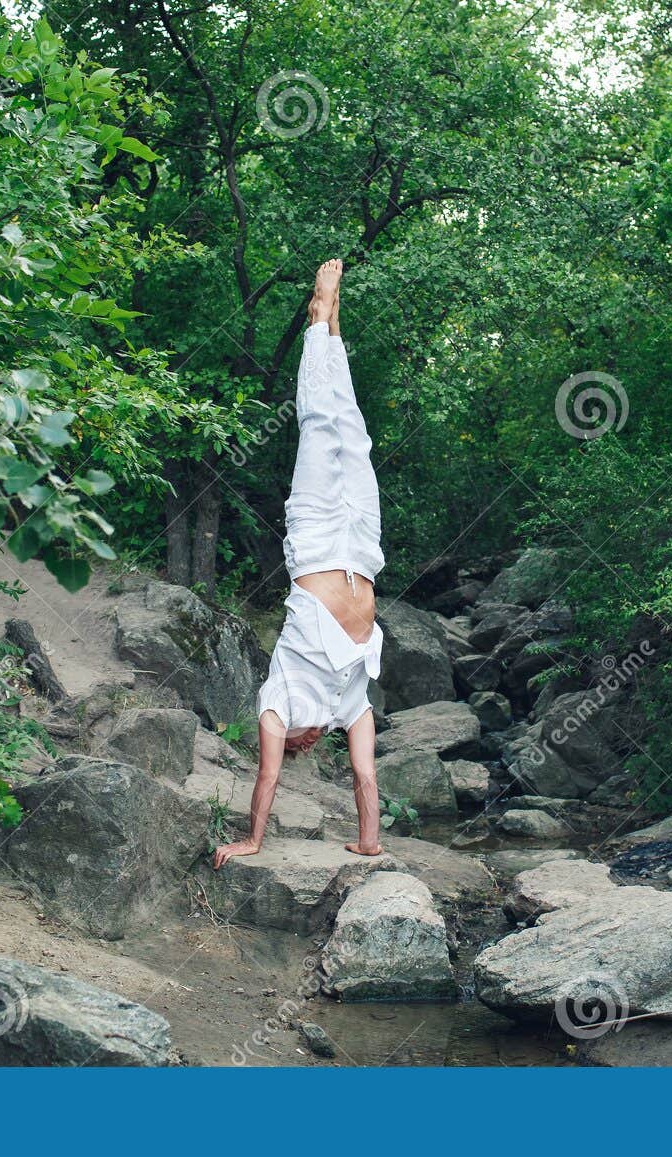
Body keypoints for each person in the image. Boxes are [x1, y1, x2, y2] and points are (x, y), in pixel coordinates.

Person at [212, 259, 386, 868]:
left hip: (314, 545)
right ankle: (336, 332)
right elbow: (364, 775)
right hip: (362, 550)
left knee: (317, 425)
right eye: (312, 746)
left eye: (301, 748)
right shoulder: (349, 706)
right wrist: (368, 842)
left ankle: (319, 317)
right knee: (353, 430)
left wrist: (254, 840)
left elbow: (265, 781)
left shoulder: (274, 703)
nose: (311, 744)